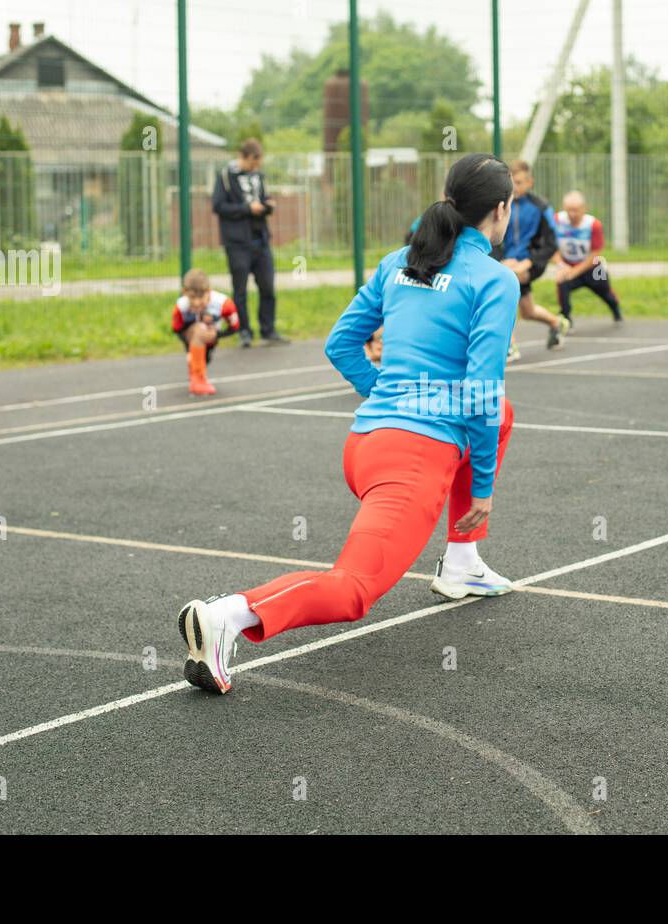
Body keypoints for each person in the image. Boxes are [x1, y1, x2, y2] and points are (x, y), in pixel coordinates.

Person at [176, 153, 519, 694]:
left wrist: (383, 390)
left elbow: (340, 344)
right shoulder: (495, 280)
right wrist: (482, 491)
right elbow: (480, 393)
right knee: (353, 590)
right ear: (501, 210)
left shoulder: (397, 261)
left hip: (366, 445)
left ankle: (463, 561)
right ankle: (228, 616)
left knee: (502, 419)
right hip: (412, 461)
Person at [211, 138, 289, 347]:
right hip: (237, 243)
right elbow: (218, 206)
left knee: (268, 287)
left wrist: (267, 205)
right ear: (243, 157)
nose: (255, 167)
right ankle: (244, 331)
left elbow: (263, 198)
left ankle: (268, 329)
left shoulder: (259, 176)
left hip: (260, 240)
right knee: (240, 289)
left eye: (258, 164)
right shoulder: (226, 176)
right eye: (253, 162)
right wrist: (247, 209)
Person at [496, 160, 567, 359]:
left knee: (501, 287)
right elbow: (492, 238)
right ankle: (556, 323)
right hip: (508, 264)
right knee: (527, 312)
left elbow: (551, 244)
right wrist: (502, 260)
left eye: (518, 182)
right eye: (511, 183)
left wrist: (529, 261)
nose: (514, 187)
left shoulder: (541, 207)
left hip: (533, 263)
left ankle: (509, 346)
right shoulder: (500, 206)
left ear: (530, 183)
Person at [552, 190, 622, 328]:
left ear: (584, 209)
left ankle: (616, 310)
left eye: (576, 210)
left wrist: (574, 272)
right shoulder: (557, 221)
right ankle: (566, 319)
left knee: (606, 293)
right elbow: (551, 247)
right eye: (569, 210)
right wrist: (561, 265)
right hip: (568, 266)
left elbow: (595, 254)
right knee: (562, 283)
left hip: (593, 268)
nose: (572, 214)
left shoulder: (593, 225)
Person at [170, 268, 240, 396]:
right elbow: (177, 330)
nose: (196, 303)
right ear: (184, 292)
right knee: (199, 330)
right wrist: (191, 344)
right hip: (192, 336)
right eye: (192, 297)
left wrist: (216, 335)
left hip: (212, 337)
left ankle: (197, 370)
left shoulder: (224, 304)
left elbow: (234, 327)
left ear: (208, 291)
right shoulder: (181, 307)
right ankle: (198, 381)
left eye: (201, 297)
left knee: (205, 357)